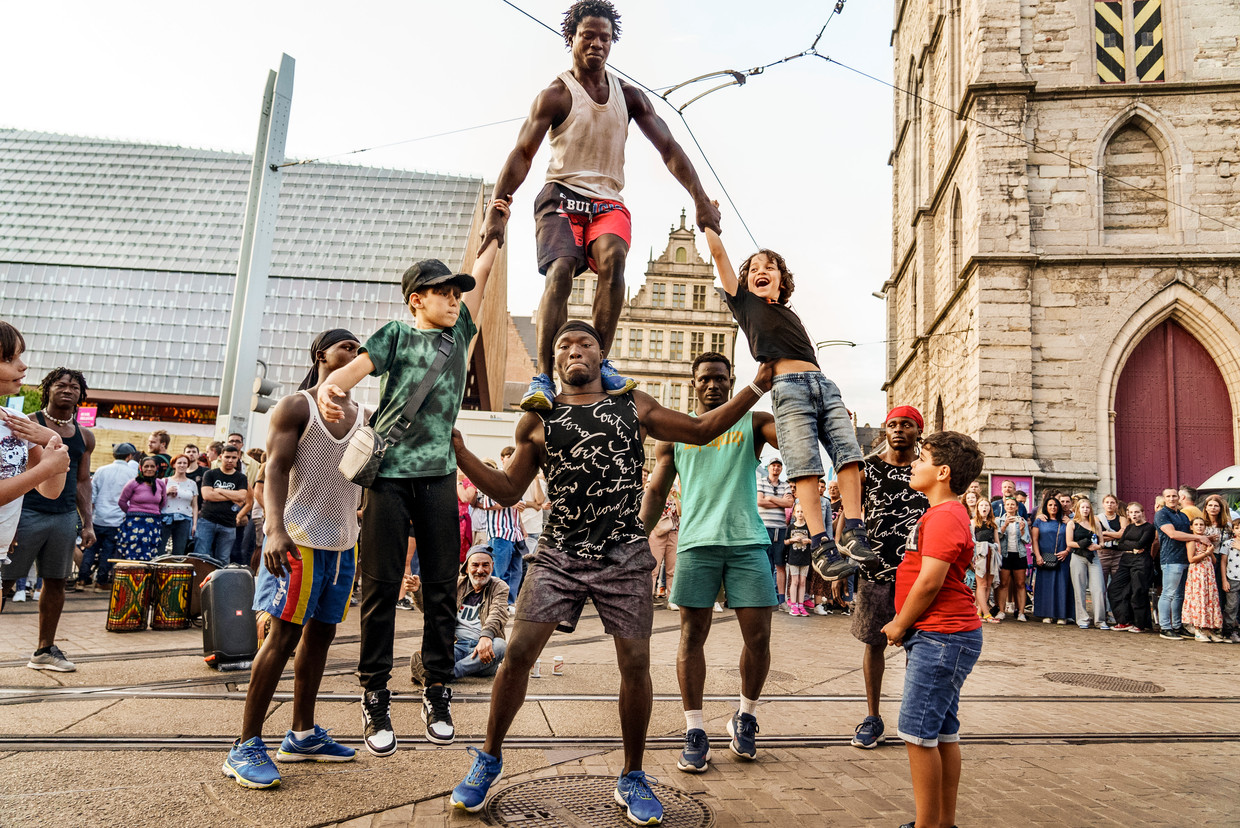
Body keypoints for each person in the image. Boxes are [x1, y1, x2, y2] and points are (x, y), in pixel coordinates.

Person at [447, 322, 772, 822]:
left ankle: (632, 775)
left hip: (623, 555)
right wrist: (462, 452)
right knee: (519, 655)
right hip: (558, 554)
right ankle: (488, 760)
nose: (575, 350)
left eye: (586, 344)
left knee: (635, 664)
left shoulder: (633, 404)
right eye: (564, 345)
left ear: (602, 355)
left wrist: (756, 385)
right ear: (555, 361)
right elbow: (509, 490)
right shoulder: (537, 418)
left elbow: (701, 430)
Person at [483, 0, 721, 412]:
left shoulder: (628, 96)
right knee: (560, 270)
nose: (597, 44)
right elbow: (523, 153)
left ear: (613, 42)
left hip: (607, 200)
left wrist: (700, 199)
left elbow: (669, 147)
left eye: (605, 38)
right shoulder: (556, 95)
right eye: (588, 36)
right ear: (571, 38)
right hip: (561, 194)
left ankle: (603, 362)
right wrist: (497, 208)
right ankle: (544, 375)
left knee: (614, 259)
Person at [317, 236, 504, 754]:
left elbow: (483, 275)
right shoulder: (396, 335)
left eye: (456, 293)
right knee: (380, 589)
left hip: (439, 477)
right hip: (389, 478)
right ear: (416, 300)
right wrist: (332, 390)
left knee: (442, 588)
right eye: (443, 293)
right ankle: (375, 693)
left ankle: (437, 689)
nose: (454, 300)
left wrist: (495, 228)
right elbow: (350, 373)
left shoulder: (459, 331)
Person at [222, 328, 365, 789]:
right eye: (346, 347)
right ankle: (245, 745)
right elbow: (276, 469)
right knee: (282, 638)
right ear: (321, 354)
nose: (355, 354)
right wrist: (274, 529)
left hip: (343, 543)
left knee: (321, 638)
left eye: (360, 350)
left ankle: (302, 734)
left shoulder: (366, 415)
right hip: (298, 539)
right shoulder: (296, 406)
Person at [703, 224, 875, 581]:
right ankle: (821, 545)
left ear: (782, 280)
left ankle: (854, 529)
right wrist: (710, 220)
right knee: (805, 466)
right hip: (788, 387)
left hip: (823, 384)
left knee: (849, 455)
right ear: (745, 282)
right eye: (754, 268)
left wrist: (832, 398)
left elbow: (807, 355)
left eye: (770, 267)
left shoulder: (790, 314)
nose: (761, 271)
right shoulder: (744, 304)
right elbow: (719, 255)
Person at [641, 350, 780, 773]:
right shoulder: (674, 432)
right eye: (705, 378)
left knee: (759, 638)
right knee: (691, 637)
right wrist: (635, 538)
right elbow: (656, 491)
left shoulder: (753, 423)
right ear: (693, 383)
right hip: (696, 544)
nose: (713, 385)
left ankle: (746, 716)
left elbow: (793, 438)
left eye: (721, 378)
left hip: (747, 542)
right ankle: (695, 730)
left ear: (731, 380)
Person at [879, 431, 985, 828]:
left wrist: (899, 624)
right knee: (941, 731)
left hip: (941, 637)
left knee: (917, 732)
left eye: (921, 459)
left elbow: (929, 582)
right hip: (943, 636)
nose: (913, 464)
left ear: (943, 472)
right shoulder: (944, 513)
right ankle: (943, 823)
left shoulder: (944, 516)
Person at [5, 367, 94, 673]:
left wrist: (88, 522)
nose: (68, 390)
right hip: (26, 511)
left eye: (74, 387)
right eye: (61, 384)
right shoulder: (27, 422)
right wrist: (11, 520)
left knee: (57, 581)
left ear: (81, 395)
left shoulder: (85, 435)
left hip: (64, 514)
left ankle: (45, 650)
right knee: (4, 581)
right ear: (48, 389)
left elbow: (82, 481)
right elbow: (14, 469)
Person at [850, 406, 927, 750]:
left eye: (906, 425)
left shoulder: (926, 470)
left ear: (918, 431)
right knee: (874, 643)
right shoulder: (868, 468)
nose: (898, 430)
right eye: (892, 424)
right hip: (875, 570)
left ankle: (915, 717)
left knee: (919, 646)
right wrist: (842, 550)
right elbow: (850, 511)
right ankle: (873, 718)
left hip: (918, 574)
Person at [0, 323, 70, 600]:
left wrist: (54, 441)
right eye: (9, 359)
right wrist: (46, 467)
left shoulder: (15, 421)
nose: (23, 366)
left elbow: (50, 490)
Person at [410, 544, 510, 683]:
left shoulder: (499, 586)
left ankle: (447, 674)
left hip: (484, 654)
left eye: (485, 565)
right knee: (422, 654)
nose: (480, 570)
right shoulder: (456, 585)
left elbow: (497, 613)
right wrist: (417, 591)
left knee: (501, 645)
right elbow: (434, 610)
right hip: (456, 647)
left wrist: (486, 637)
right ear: (467, 567)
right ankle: (435, 675)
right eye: (475, 565)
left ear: (492, 566)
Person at [1154, 488, 1212, 640]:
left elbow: (1191, 534)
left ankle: (1177, 626)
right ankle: (1165, 627)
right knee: (1168, 593)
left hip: (1185, 558)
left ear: (1179, 498)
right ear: (1164, 498)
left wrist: (1206, 537)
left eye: (1174, 496)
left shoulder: (1183, 515)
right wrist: (1198, 538)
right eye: (1168, 496)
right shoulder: (1162, 514)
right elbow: (1172, 534)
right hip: (1171, 559)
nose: (1172, 499)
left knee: (1179, 595)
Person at [82, 442, 137, 591]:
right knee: (108, 551)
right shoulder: (132, 474)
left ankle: (81, 580)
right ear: (129, 456)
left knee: (90, 549)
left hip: (98, 517)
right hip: (117, 519)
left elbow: (92, 495)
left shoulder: (101, 470)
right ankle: (101, 582)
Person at [476, 446, 526, 605]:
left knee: (516, 571)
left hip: (515, 533)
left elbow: (519, 507)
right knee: (499, 572)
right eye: (509, 457)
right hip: (499, 533)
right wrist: (511, 503)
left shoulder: (517, 480)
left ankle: (509, 602)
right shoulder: (493, 480)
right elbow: (487, 504)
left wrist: (522, 528)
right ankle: (496, 602)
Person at [1107, 502, 1156, 633]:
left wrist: (1131, 545)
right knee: (1115, 588)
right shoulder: (1129, 527)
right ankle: (1124, 621)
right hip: (1126, 561)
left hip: (1141, 561)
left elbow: (1140, 544)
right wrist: (1133, 546)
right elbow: (1120, 544)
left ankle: (1140, 624)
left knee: (1137, 591)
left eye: (1137, 512)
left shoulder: (1149, 528)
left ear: (1142, 513)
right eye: (1131, 512)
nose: (1134, 515)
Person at [196, 446, 250, 564]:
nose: (230, 460)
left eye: (234, 457)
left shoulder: (241, 478)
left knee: (223, 559)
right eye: (227, 457)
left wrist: (219, 490)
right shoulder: (210, 474)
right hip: (207, 520)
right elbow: (207, 495)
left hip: (228, 523)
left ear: (238, 458)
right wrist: (232, 496)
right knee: (201, 556)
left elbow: (242, 497)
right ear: (220, 457)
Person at [757, 458, 794, 609]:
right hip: (764, 528)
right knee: (764, 564)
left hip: (780, 528)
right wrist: (780, 502)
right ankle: (765, 597)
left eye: (779, 466)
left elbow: (789, 503)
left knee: (780, 565)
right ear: (769, 467)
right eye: (773, 465)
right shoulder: (760, 482)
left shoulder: (785, 485)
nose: (776, 468)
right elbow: (760, 501)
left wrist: (771, 498)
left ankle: (781, 600)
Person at [1031, 493, 1072, 624]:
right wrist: (1038, 556)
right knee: (1046, 585)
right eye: (1050, 505)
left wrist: (1067, 551)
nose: (1053, 507)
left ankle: (1062, 615)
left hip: (1063, 557)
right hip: (1045, 557)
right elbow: (1034, 540)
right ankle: (1047, 614)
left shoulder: (1066, 521)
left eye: (1055, 505)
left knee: (1062, 585)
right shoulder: (1039, 521)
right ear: (1046, 507)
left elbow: (1072, 538)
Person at [1066, 498, 1107, 630]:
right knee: (1079, 588)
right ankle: (1082, 618)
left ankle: (1100, 620)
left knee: (1098, 588)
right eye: (1082, 507)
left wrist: (1097, 546)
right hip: (1078, 557)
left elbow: (1102, 542)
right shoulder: (1072, 523)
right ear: (1078, 509)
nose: (1085, 510)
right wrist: (1082, 544)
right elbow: (1069, 543)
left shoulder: (1096, 523)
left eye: (1087, 507)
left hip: (1093, 557)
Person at [117, 457, 167, 561]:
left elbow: (163, 502)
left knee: (150, 551)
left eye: (152, 466)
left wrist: (152, 512)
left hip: (153, 523)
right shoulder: (133, 483)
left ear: (156, 468)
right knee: (133, 551)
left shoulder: (160, 483)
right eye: (146, 466)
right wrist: (133, 513)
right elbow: (122, 502)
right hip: (134, 523)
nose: (149, 469)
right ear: (141, 468)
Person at [1183, 516, 1224, 642]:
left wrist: (1210, 551)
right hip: (1197, 572)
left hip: (1208, 572)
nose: (1199, 527)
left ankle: (1207, 629)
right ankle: (1197, 629)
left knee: (1209, 599)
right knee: (1198, 598)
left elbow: (1214, 561)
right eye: (1196, 525)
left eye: (1201, 525)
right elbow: (1191, 559)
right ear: (1191, 527)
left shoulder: (1206, 541)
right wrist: (1206, 553)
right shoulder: (1192, 541)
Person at [996, 497, 1030, 621]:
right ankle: (1001, 611)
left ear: (1016, 507)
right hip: (1004, 555)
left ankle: (1021, 612)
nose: (1010, 506)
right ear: (1005, 506)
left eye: (1012, 504)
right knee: (1003, 584)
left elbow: (1026, 540)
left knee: (1020, 584)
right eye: (1008, 504)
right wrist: (1004, 525)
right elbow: (997, 538)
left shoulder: (1022, 521)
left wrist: (1022, 530)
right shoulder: (999, 520)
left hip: (1019, 555)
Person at [649, 484, 680, 609]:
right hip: (657, 533)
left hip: (673, 534)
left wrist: (676, 497)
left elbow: (681, 512)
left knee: (672, 569)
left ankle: (672, 599)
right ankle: (648, 598)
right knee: (653, 568)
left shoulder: (676, 498)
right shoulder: (656, 497)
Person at [162, 454, 198, 558]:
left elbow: (195, 506)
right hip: (165, 518)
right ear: (174, 465)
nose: (182, 465)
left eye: (185, 463)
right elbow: (156, 500)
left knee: (179, 551)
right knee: (161, 549)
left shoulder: (192, 484)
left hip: (184, 519)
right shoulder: (164, 481)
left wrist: (194, 524)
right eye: (179, 463)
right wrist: (166, 492)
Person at [971, 499, 1000, 623]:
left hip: (992, 554)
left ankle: (979, 612)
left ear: (990, 508)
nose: (984, 507)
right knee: (981, 584)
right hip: (980, 555)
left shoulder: (993, 523)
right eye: (982, 505)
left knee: (988, 585)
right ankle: (987, 614)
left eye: (987, 505)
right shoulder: (973, 522)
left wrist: (998, 558)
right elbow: (971, 541)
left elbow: (997, 541)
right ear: (977, 508)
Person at [784, 502, 812, 616]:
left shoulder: (808, 527)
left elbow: (814, 540)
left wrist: (808, 541)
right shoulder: (791, 527)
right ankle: (793, 605)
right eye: (798, 511)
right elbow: (785, 541)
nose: (800, 514)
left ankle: (801, 604)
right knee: (795, 581)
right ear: (794, 513)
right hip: (793, 557)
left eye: (802, 511)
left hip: (805, 558)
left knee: (802, 582)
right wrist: (792, 540)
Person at [1222, 520, 1240, 644]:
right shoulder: (1228, 543)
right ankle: (1228, 631)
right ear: (1233, 530)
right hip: (1232, 578)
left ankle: (1237, 631)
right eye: (1237, 528)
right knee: (1232, 605)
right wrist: (1224, 580)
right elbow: (1223, 562)